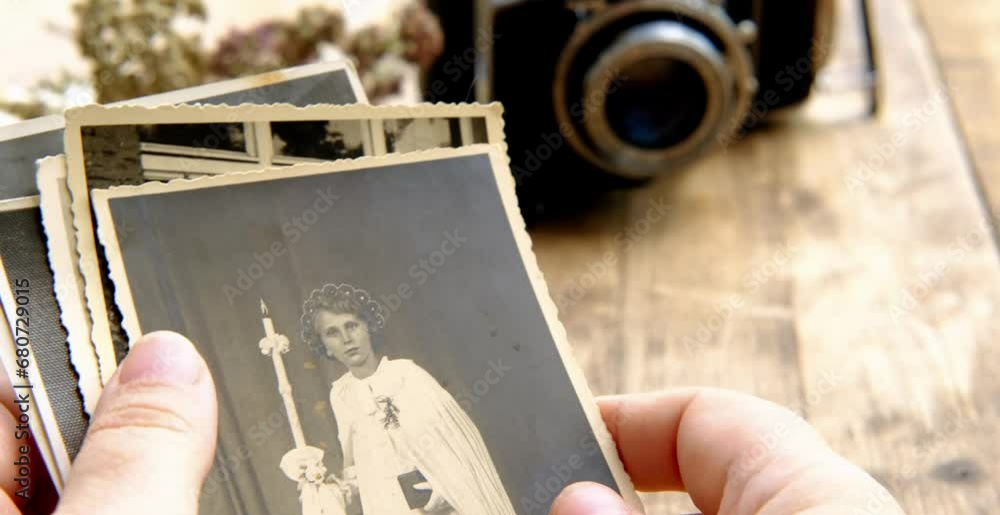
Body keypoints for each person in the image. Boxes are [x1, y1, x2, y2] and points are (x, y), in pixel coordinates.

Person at [7, 332, 904, 515]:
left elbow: (447, 438)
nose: (341, 341)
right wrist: (332, 478)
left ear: (368, 325)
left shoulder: (404, 372)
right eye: (327, 337)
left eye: (348, 326)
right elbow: (367, 470)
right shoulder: (346, 397)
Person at [289, 282, 516, 515]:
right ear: (325, 346)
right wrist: (322, 484)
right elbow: (359, 470)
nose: (346, 338)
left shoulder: (407, 376)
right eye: (332, 332)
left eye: (352, 326)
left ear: (368, 328)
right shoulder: (341, 395)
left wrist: (441, 490)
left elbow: (460, 452)